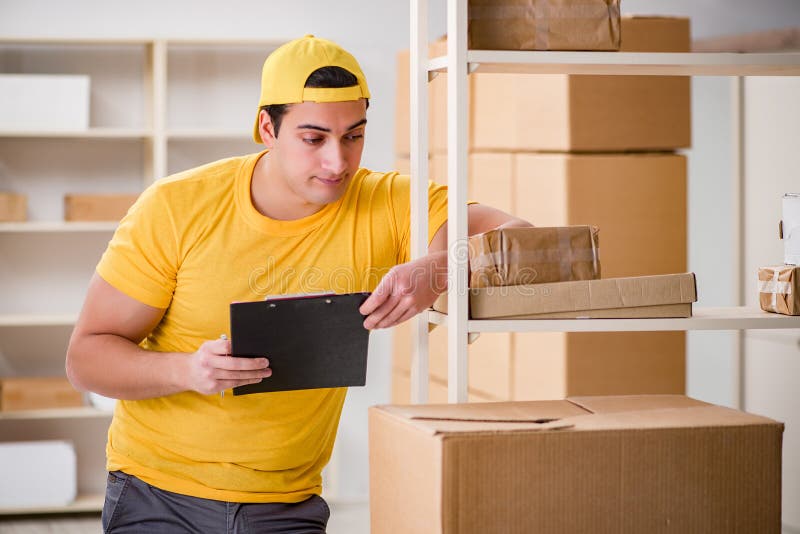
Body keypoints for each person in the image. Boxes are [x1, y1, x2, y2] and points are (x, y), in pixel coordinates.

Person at [66, 34, 530, 533]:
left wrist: (440, 269)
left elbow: (522, 238)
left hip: (288, 503)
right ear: (268, 127)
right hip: (157, 495)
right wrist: (187, 370)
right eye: (314, 139)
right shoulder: (177, 207)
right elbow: (86, 357)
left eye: (354, 136)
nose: (338, 162)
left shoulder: (390, 201)